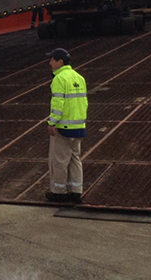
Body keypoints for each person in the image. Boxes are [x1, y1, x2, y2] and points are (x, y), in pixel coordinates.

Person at [45, 48, 87, 204]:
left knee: (59, 161)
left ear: (60, 62)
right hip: (79, 126)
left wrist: (52, 122)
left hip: (64, 128)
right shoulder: (79, 77)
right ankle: (76, 191)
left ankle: (58, 192)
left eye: (52, 60)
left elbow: (58, 104)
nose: (50, 63)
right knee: (75, 159)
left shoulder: (59, 79)